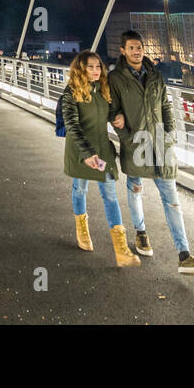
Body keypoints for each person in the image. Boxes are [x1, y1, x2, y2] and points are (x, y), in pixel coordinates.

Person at [109, 30, 194, 276]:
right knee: (135, 189)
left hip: (160, 144)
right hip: (136, 144)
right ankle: (141, 233)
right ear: (123, 51)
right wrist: (128, 140)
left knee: (172, 199)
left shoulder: (156, 75)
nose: (137, 51)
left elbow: (166, 106)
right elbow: (112, 112)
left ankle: (184, 255)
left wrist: (170, 134)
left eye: (140, 47)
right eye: (132, 48)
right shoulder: (115, 79)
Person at [61, 49, 138, 267]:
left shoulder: (103, 89)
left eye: (98, 66)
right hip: (81, 151)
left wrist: (117, 116)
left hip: (103, 150)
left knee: (110, 195)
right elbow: (72, 126)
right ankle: (82, 230)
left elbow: (110, 111)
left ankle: (121, 250)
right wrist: (87, 154)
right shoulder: (71, 93)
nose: (96, 71)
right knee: (80, 188)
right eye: (90, 67)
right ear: (80, 69)